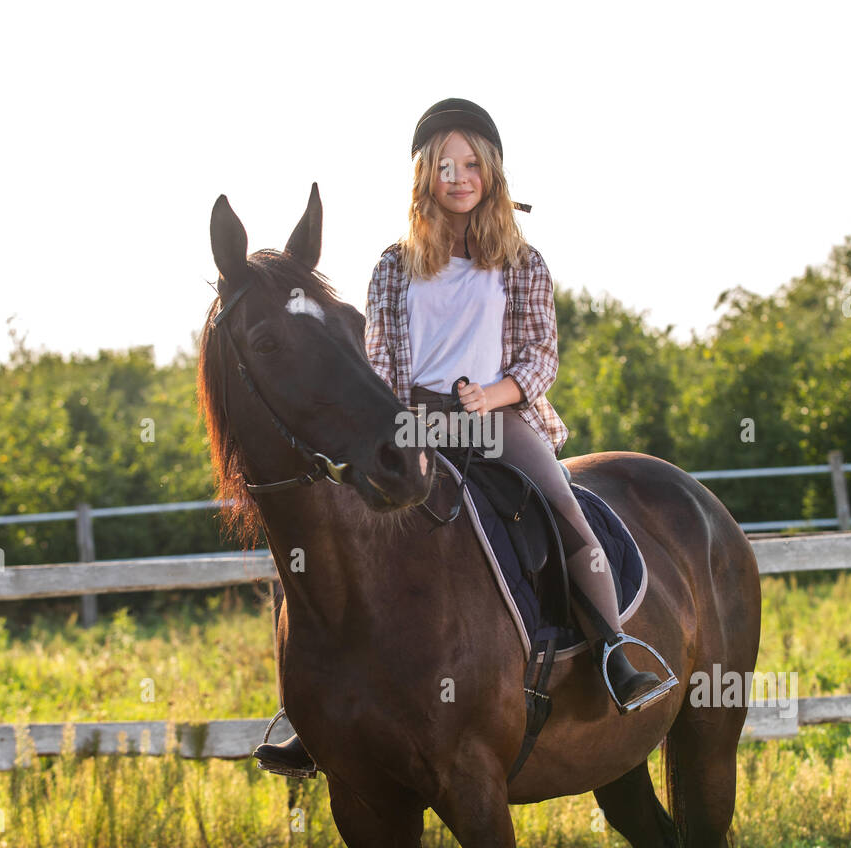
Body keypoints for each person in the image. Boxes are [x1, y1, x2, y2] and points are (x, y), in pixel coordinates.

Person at [254, 98, 674, 777]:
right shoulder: (393, 265)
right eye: (444, 165)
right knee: (326, 533)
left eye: (471, 163)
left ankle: (616, 654)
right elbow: (382, 356)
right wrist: (401, 417)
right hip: (413, 422)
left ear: (491, 171)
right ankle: (309, 710)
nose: (458, 176)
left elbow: (542, 356)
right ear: (425, 174)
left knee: (563, 507)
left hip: (498, 416)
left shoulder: (521, 260)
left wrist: (494, 394)